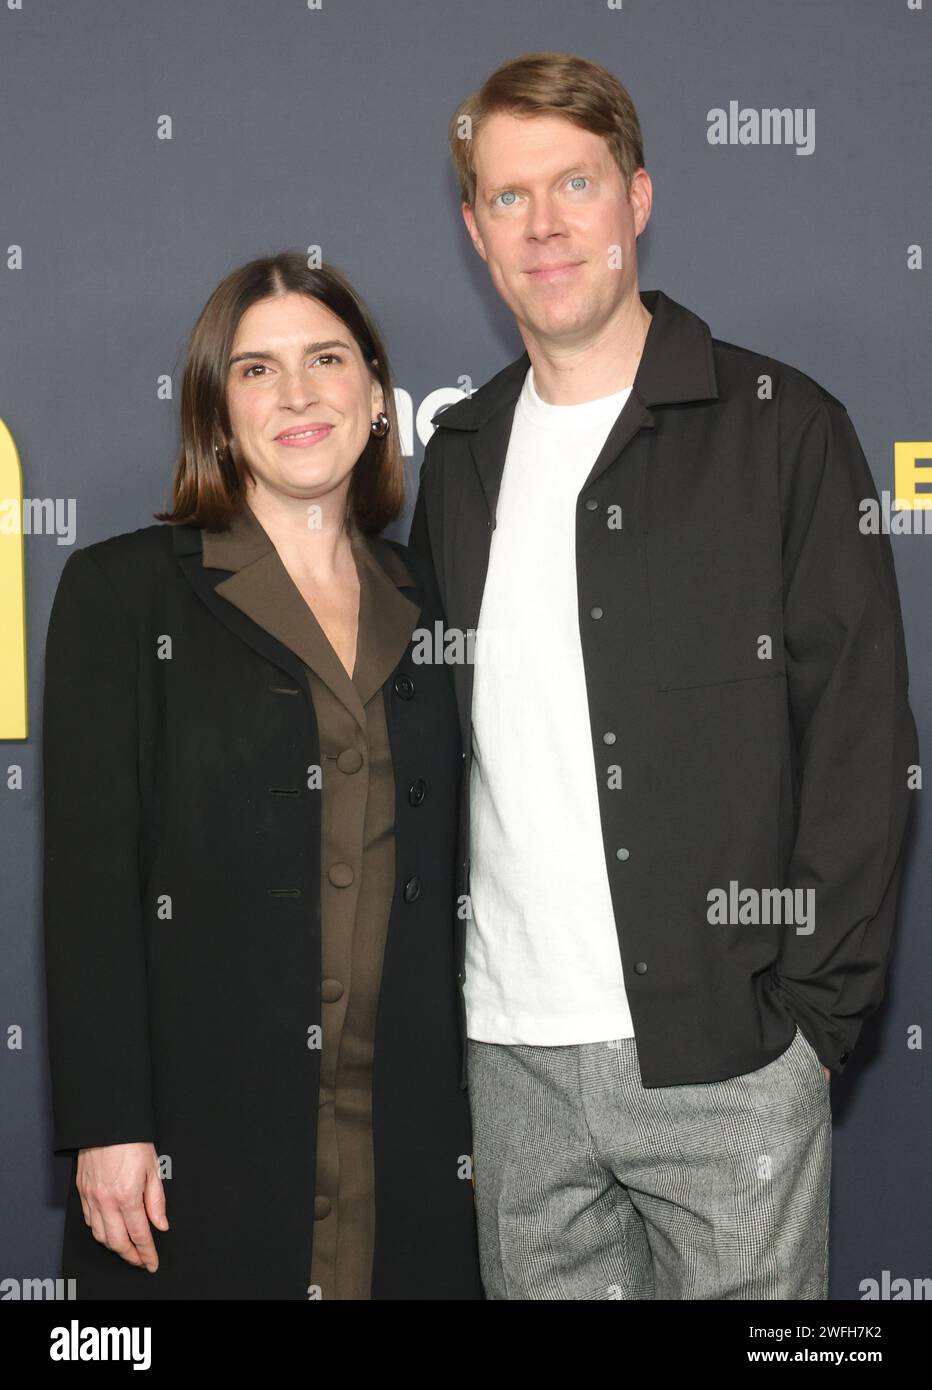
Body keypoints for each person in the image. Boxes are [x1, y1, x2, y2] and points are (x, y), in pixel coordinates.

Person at [409, 51, 919, 1300]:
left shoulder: (778, 425)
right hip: (511, 1057)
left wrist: (808, 1028)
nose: (544, 226)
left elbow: (860, 740)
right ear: (475, 229)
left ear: (635, 197)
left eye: (572, 184)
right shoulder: (461, 456)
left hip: (728, 1054)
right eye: (508, 197)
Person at [43, 252, 482, 1300]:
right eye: (255, 368)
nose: (296, 393)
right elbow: (91, 881)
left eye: (325, 358)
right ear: (213, 409)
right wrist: (112, 1124)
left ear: (376, 397)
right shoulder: (123, 593)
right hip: (205, 1132)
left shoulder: (438, 599)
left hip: (413, 1137)